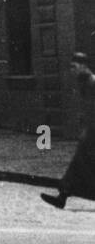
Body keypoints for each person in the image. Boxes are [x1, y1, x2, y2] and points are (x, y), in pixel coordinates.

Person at [42, 52, 95, 209]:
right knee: (80, 163)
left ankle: (63, 196)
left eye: (75, 66)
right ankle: (62, 196)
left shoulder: (92, 82)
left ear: (84, 66)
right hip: (91, 129)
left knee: (80, 162)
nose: (72, 70)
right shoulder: (84, 83)